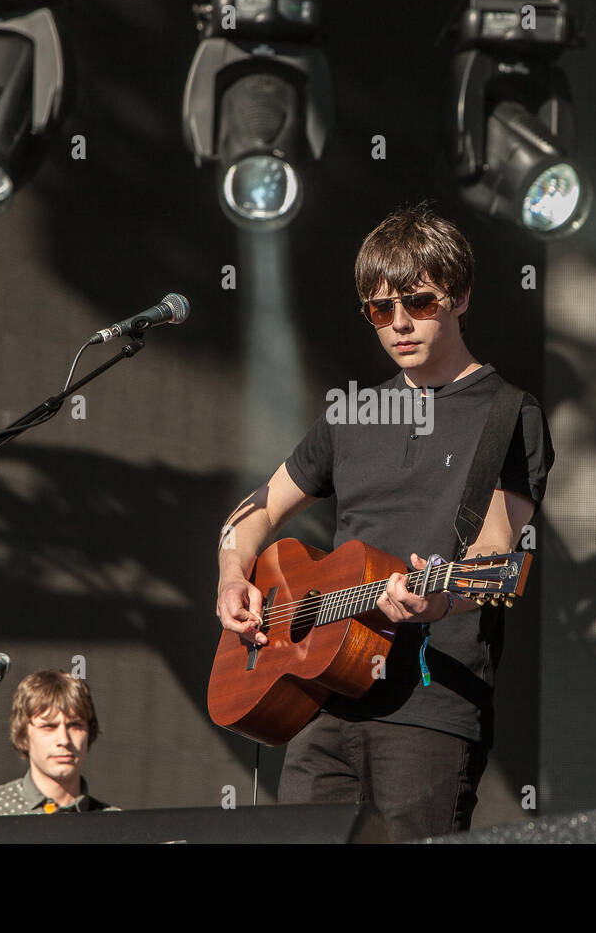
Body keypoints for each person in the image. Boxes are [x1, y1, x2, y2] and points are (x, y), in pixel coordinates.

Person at [214, 203, 554, 841]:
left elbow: (492, 560)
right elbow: (252, 512)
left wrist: (433, 604)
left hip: (428, 708)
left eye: (419, 304)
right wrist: (234, 574)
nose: (398, 324)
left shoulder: (510, 415)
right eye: (379, 309)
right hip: (321, 699)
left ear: (459, 297)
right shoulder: (352, 414)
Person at [0, 669, 118, 818]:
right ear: (24, 734)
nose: (64, 740)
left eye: (75, 725)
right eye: (49, 726)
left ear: (90, 732)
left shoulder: (116, 823)